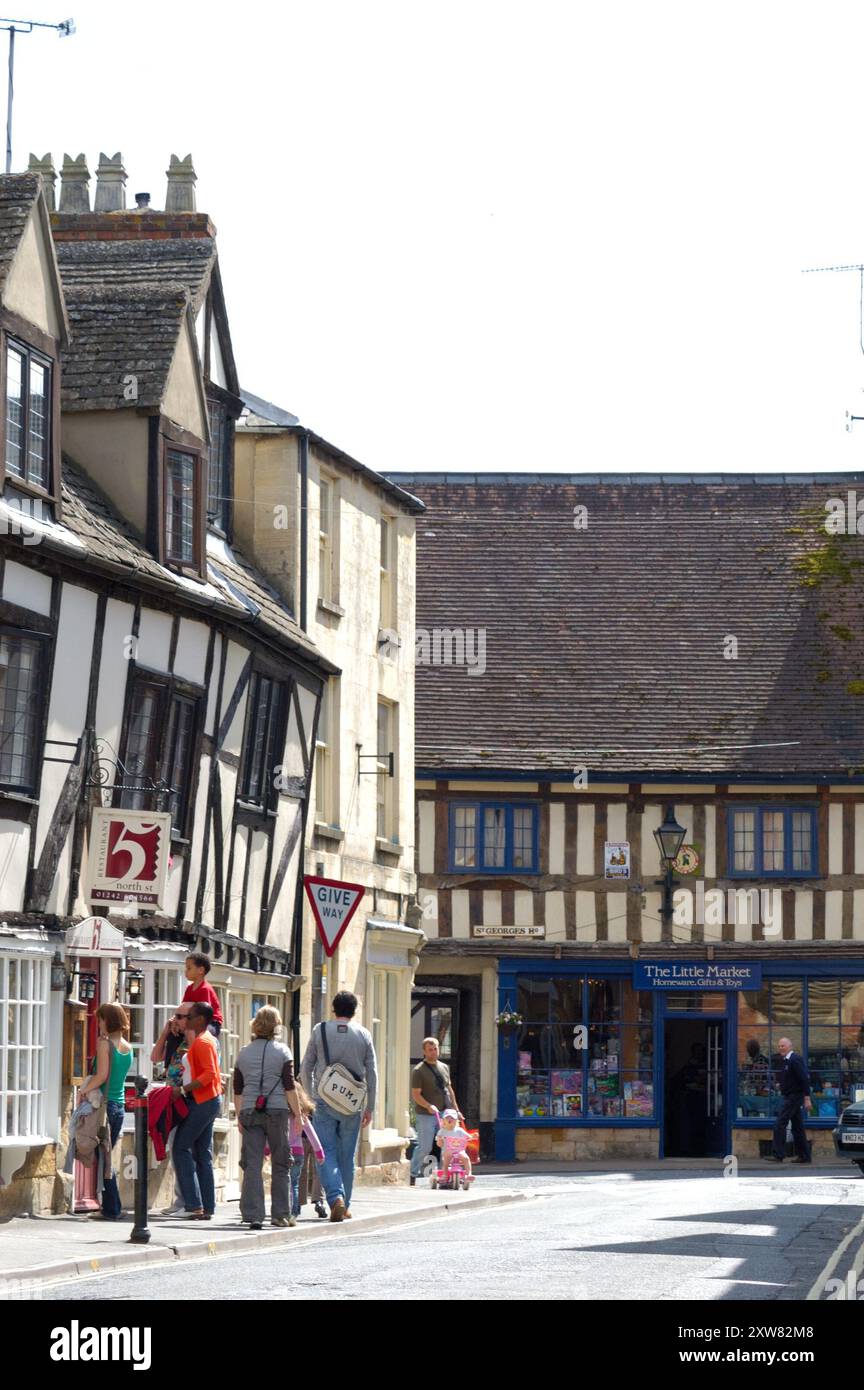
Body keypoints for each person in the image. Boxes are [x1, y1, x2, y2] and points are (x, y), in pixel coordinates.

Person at [300, 990, 377, 1222]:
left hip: (324, 1100)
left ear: (333, 1008)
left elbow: (306, 1067)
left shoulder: (320, 1030)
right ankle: (346, 1203)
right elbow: (372, 1073)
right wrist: (369, 1106)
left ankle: (336, 1198)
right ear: (354, 1011)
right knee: (347, 1156)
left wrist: (311, 1096)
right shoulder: (363, 1034)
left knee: (326, 1152)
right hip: (352, 1104)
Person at [232, 1005, 302, 1230]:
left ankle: (253, 1214)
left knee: (252, 1164)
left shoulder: (243, 1053)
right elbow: (290, 1087)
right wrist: (298, 1115)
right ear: (276, 1026)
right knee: (281, 1162)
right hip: (277, 1111)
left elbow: (238, 1089)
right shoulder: (283, 1053)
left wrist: (240, 1116)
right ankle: (280, 1215)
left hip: (250, 1111)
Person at [77, 1002, 133, 1220]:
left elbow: (101, 1076)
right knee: (106, 1156)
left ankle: (111, 1209)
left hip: (104, 1107)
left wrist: (84, 1090)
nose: (98, 1022)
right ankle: (111, 1206)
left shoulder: (105, 1045)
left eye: (100, 1019)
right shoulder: (128, 1047)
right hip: (118, 1106)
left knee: (102, 1157)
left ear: (108, 1020)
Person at [171, 1002, 223, 1216]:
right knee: (202, 1154)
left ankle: (193, 1204)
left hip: (202, 1101)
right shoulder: (207, 1040)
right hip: (210, 1100)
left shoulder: (202, 1042)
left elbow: (209, 1074)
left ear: (200, 1019)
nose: (187, 1020)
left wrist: (183, 1090)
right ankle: (207, 1207)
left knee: (180, 1148)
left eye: (190, 1017)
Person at [151, 1002, 193, 1214]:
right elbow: (155, 1057)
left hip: (188, 1099)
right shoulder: (176, 1040)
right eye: (175, 1015)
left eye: (180, 1016)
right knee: (177, 1148)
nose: (175, 1019)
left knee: (185, 1151)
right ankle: (183, 1200)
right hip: (172, 1100)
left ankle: (187, 1201)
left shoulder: (197, 1042)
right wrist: (166, 1032)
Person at [410, 1037, 463, 1186]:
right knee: (425, 1147)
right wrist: (428, 1106)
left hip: (445, 1114)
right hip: (425, 1114)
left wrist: (456, 1110)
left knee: (448, 1146)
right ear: (424, 1052)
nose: (433, 1052)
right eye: (430, 1050)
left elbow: (449, 1090)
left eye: (435, 1049)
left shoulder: (444, 1067)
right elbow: (416, 1094)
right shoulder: (418, 1070)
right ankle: (412, 1173)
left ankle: (445, 1176)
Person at [765, 1036, 812, 1164]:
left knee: (780, 1124)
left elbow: (804, 1079)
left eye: (783, 1046)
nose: (781, 1048)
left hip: (794, 1097)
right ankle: (804, 1156)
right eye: (779, 1046)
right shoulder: (786, 1061)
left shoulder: (794, 1060)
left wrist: (807, 1098)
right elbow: (792, 1078)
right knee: (797, 1127)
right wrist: (782, 1085)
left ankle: (778, 1154)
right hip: (790, 1096)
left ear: (790, 1046)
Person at [182, 954, 223, 1037]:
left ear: (201, 970)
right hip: (195, 1019)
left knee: (197, 1033)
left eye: (189, 968)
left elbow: (204, 1014)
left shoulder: (205, 989)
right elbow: (184, 1008)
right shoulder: (189, 989)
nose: (186, 971)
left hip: (212, 1023)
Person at [435, 1108, 473, 1183]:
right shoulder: (442, 1131)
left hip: (459, 1150)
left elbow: (468, 1137)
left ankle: (468, 1174)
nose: (450, 1119)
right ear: (443, 1120)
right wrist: (440, 1141)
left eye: (452, 1118)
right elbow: (439, 1144)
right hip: (447, 1151)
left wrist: (472, 1137)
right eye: (447, 1118)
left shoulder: (459, 1130)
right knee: (447, 1158)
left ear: (456, 1121)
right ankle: (445, 1174)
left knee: (466, 1158)